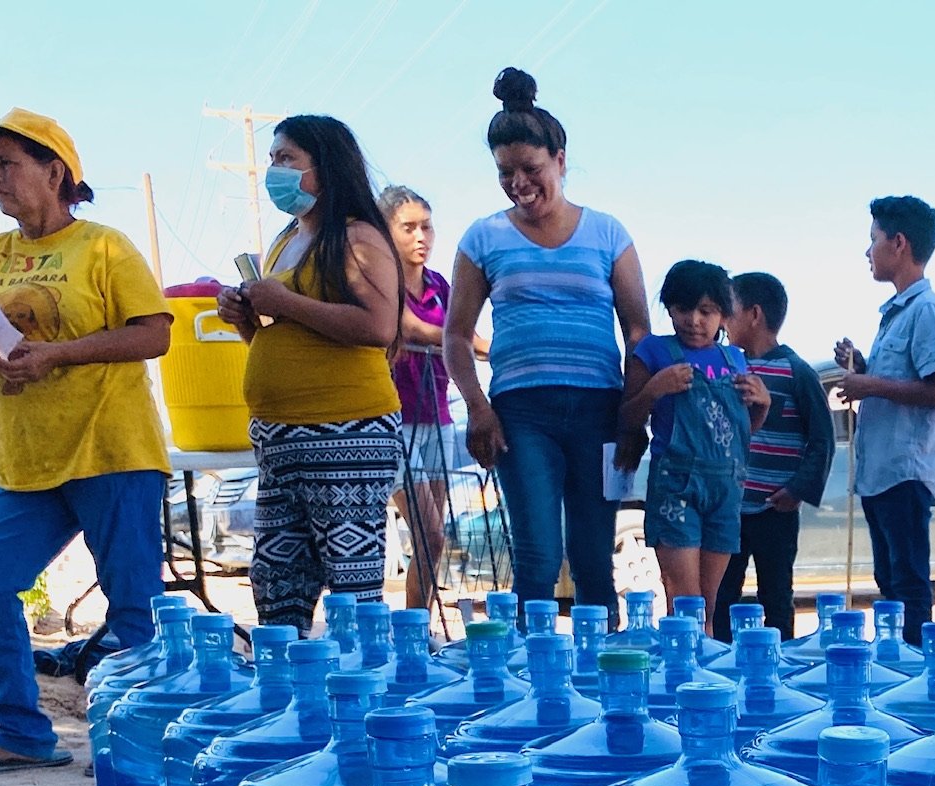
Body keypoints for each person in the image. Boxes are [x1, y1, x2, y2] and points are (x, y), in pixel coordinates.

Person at [0, 108, 171, 771]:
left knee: (133, 603)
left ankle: (147, 743)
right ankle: (19, 730)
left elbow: (155, 332)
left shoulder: (103, 246)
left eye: (7, 164)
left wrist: (58, 353)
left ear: (54, 171)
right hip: (29, 463)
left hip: (111, 450)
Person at [445, 68, 648, 620]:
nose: (518, 182)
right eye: (504, 172)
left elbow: (638, 335)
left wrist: (633, 418)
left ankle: (604, 684)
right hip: (521, 414)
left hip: (598, 412)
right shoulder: (482, 237)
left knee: (591, 557)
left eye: (530, 168)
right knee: (538, 553)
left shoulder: (608, 233)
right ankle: (531, 689)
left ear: (560, 159)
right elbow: (456, 337)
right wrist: (479, 409)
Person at [216, 114, 401, 632]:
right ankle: (289, 699)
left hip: (344, 432)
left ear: (325, 167)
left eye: (286, 159)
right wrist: (248, 320)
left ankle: (363, 698)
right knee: (277, 582)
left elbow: (378, 325)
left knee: (352, 587)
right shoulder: (283, 241)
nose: (273, 170)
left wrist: (287, 302)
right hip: (279, 438)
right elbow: (282, 338)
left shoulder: (357, 237)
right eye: (272, 159)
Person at [834, 195, 935, 646]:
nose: (868, 252)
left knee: (907, 583)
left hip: (905, 472)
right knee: (889, 580)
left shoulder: (927, 309)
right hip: (881, 472)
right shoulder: (897, 312)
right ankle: (900, 666)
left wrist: (871, 386)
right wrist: (862, 369)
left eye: (874, 240)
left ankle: (918, 677)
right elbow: (898, 381)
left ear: (898, 243)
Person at [621, 260, 768, 617]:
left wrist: (763, 404)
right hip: (677, 486)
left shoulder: (735, 359)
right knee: (686, 601)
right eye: (683, 309)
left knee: (710, 603)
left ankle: (704, 670)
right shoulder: (653, 352)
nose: (694, 320)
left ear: (723, 315)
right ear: (669, 308)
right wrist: (654, 390)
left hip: (726, 490)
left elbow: (742, 431)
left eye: (706, 311)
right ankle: (685, 671)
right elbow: (625, 419)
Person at [714, 271, 834, 640]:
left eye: (728, 310)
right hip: (730, 509)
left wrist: (798, 490)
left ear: (753, 314)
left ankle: (780, 666)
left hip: (774, 509)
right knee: (722, 595)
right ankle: (722, 663)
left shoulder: (796, 372)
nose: (721, 320)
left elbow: (822, 440)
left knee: (776, 595)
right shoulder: (725, 367)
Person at [379, 184, 481, 612]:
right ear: (385, 232)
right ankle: (412, 631)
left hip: (436, 417)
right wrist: (474, 344)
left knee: (429, 542)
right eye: (408, 228)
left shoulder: (441, 284)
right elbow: (411, 329)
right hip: (393, 419)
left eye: (427, 227)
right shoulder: (379, 282)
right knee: (431, 531)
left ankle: (416, 631)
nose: (421, 237)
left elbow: (461, 328)